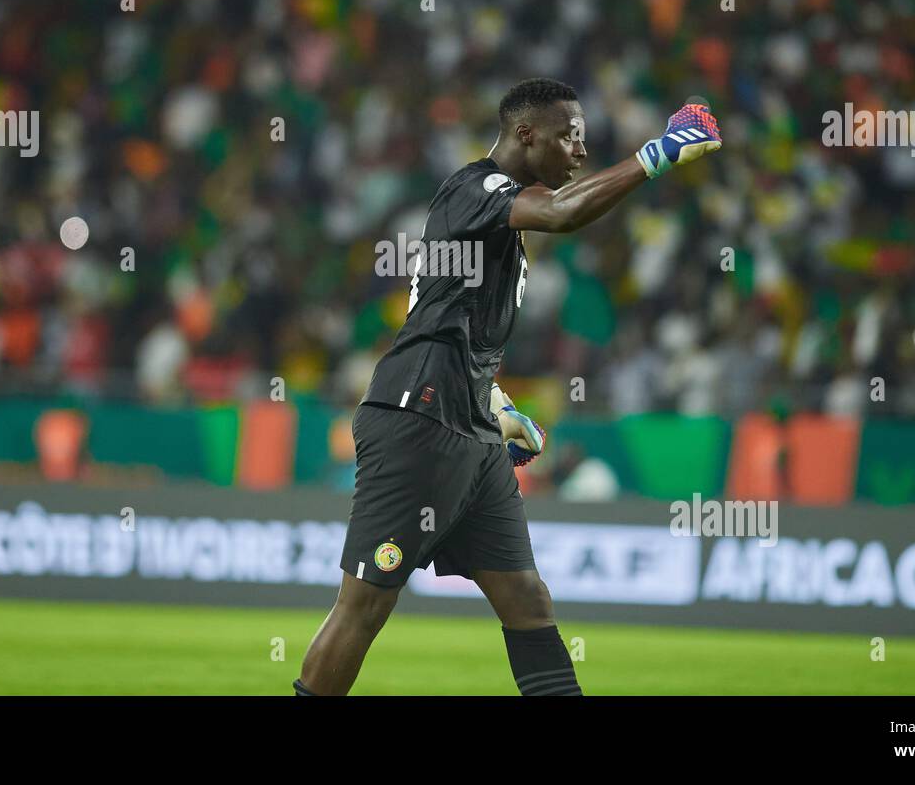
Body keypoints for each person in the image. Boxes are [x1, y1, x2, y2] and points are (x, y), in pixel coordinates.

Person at [295, 78, 722, 695]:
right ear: (526, 134)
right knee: (364, 606)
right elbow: (565, 213)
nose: (579, 151)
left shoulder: (498, 221)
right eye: (570, 136)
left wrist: (499, 407)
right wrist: (657, 153)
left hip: (469, 426)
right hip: (417, 421)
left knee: (527, 598)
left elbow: (451, 327)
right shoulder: (475, 188)